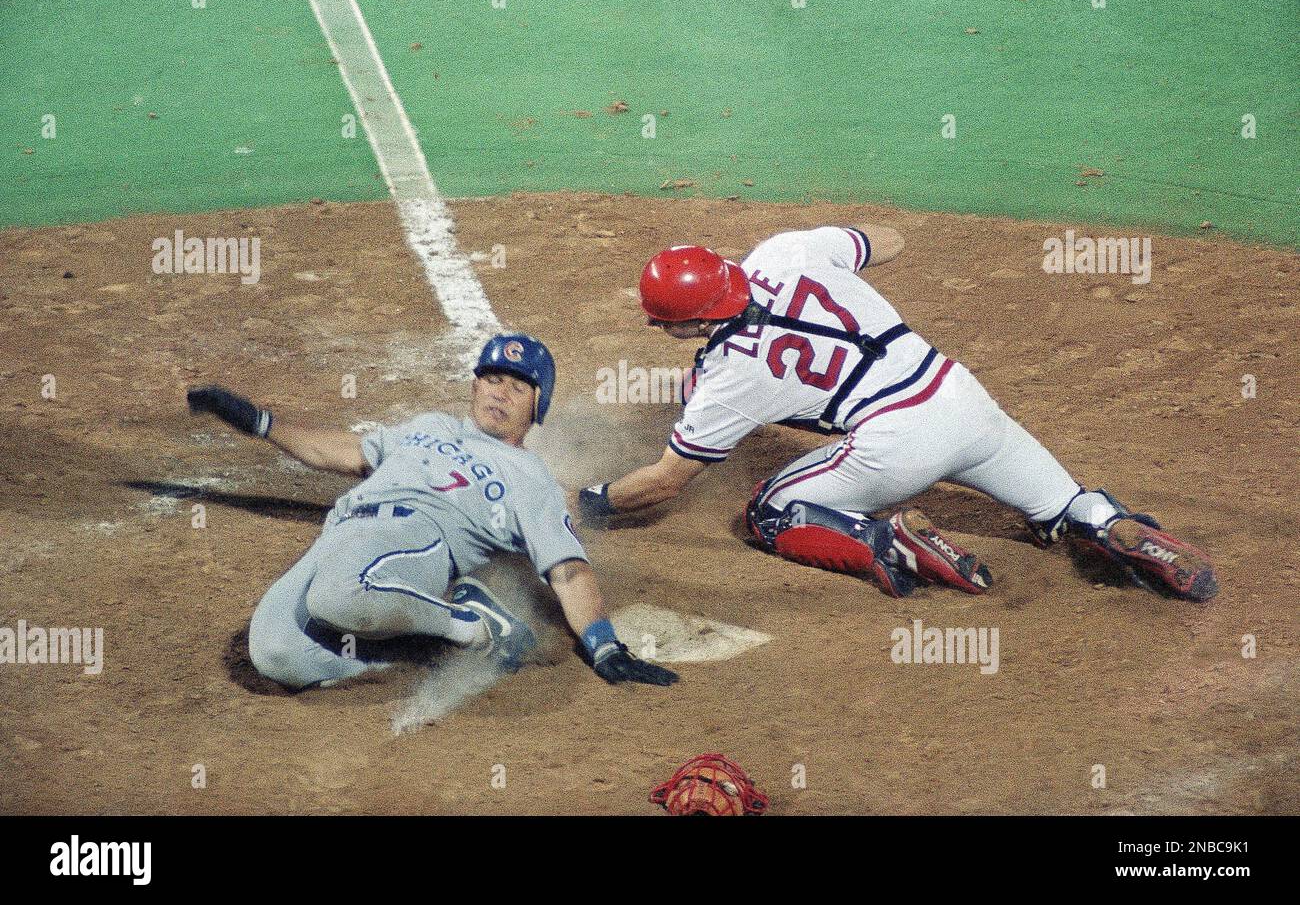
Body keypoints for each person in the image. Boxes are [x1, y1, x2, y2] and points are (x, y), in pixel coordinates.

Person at [577, 228, 1216, 602]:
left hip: (897, 446)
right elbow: (888, 241)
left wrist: (593, 501)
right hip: (966, 402)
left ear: (691, 320)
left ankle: (886, 540)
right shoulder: (783, 252)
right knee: (1063, 506)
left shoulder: (731, 377)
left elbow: (664, 481)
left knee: (769, 511)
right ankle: (1107, 523)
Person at [187, 332, 679, 690]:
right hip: (342, 534)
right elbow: (342, 452)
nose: (498, 391)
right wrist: (261, 422)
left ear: (538, 404)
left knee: (335, 598)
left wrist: (604, 644)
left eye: (516, 386)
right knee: (275, 655)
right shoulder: (431, 424)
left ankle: (476, 624)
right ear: (474, 386)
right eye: (491, 378)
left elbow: (568, 570)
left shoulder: (531, 477)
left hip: (417, 539)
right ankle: (407, 649)